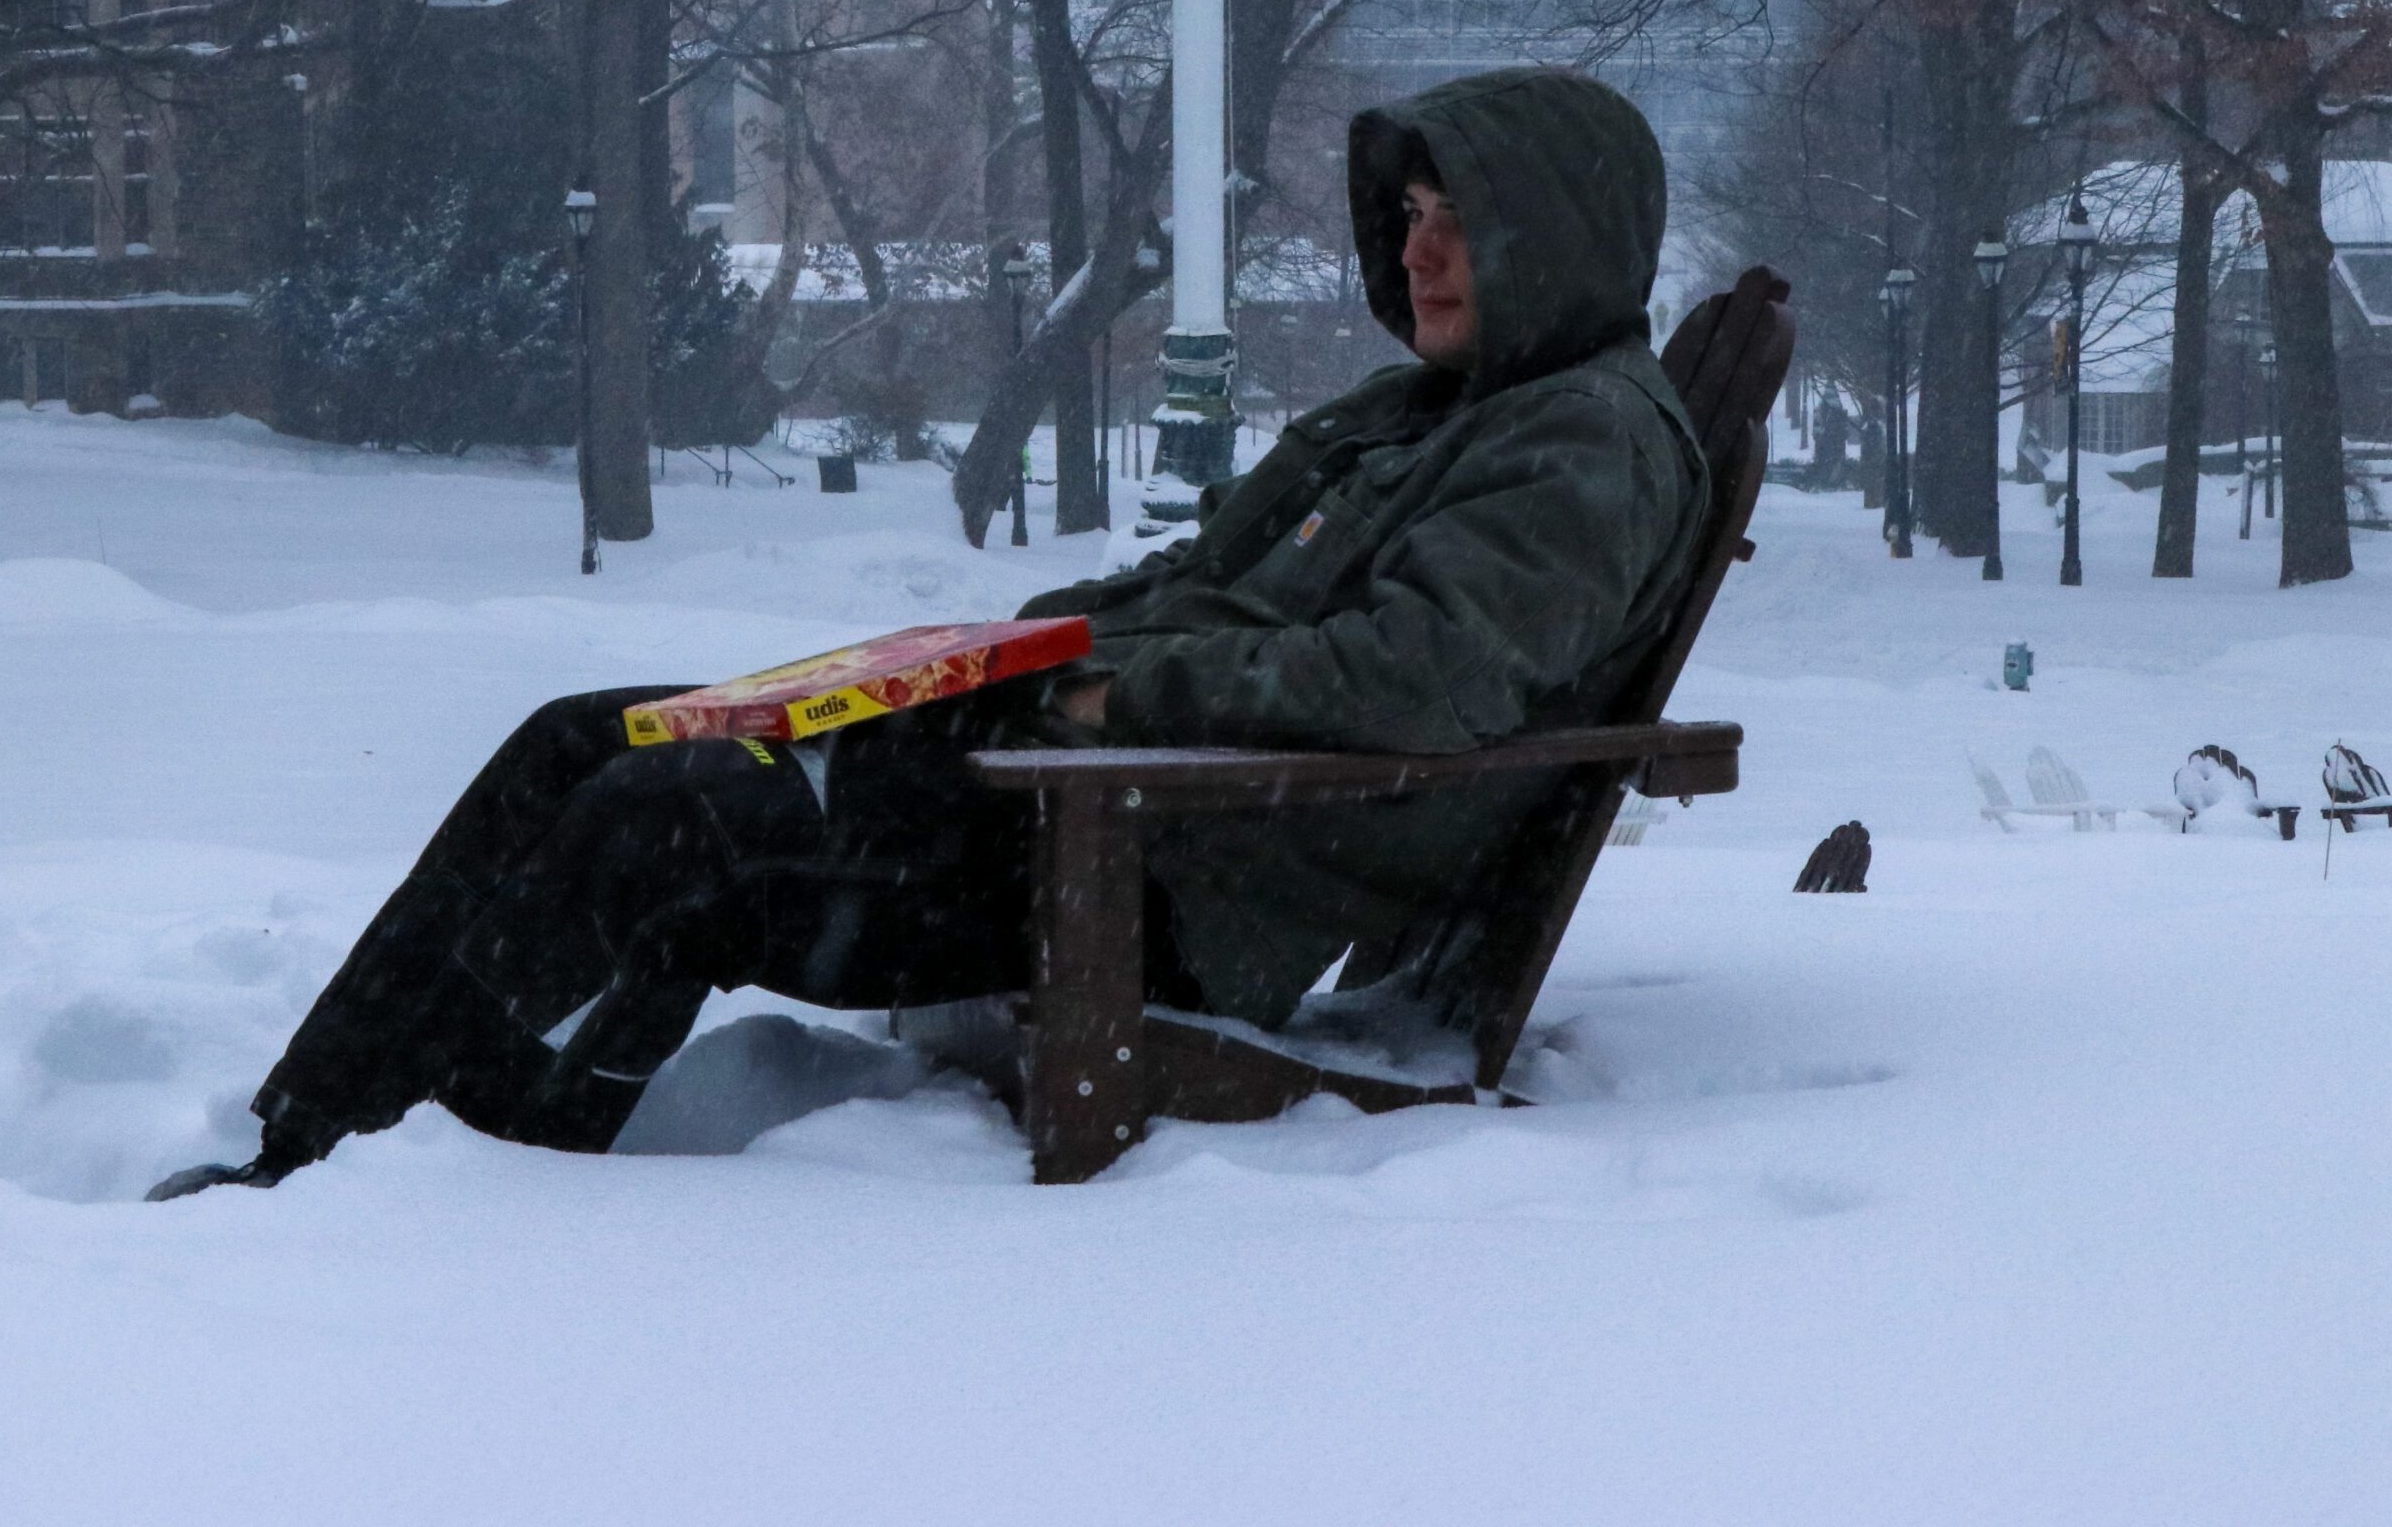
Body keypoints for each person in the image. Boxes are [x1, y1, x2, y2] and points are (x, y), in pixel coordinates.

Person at [149, 67, 1707, 1198]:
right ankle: (319, 1128)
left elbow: (1413, 679)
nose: (1421, 256)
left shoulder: (1579, 445)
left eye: (1461, 226)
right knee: (592, 735)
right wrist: (1010, 654)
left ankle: (465, 1185)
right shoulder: (1418, 412)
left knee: (665, 830)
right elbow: (1196, 589)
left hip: (1168, 866)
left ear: (1559, 238)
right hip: (1091, 778)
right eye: (1415, 217)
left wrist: (1109, 694)